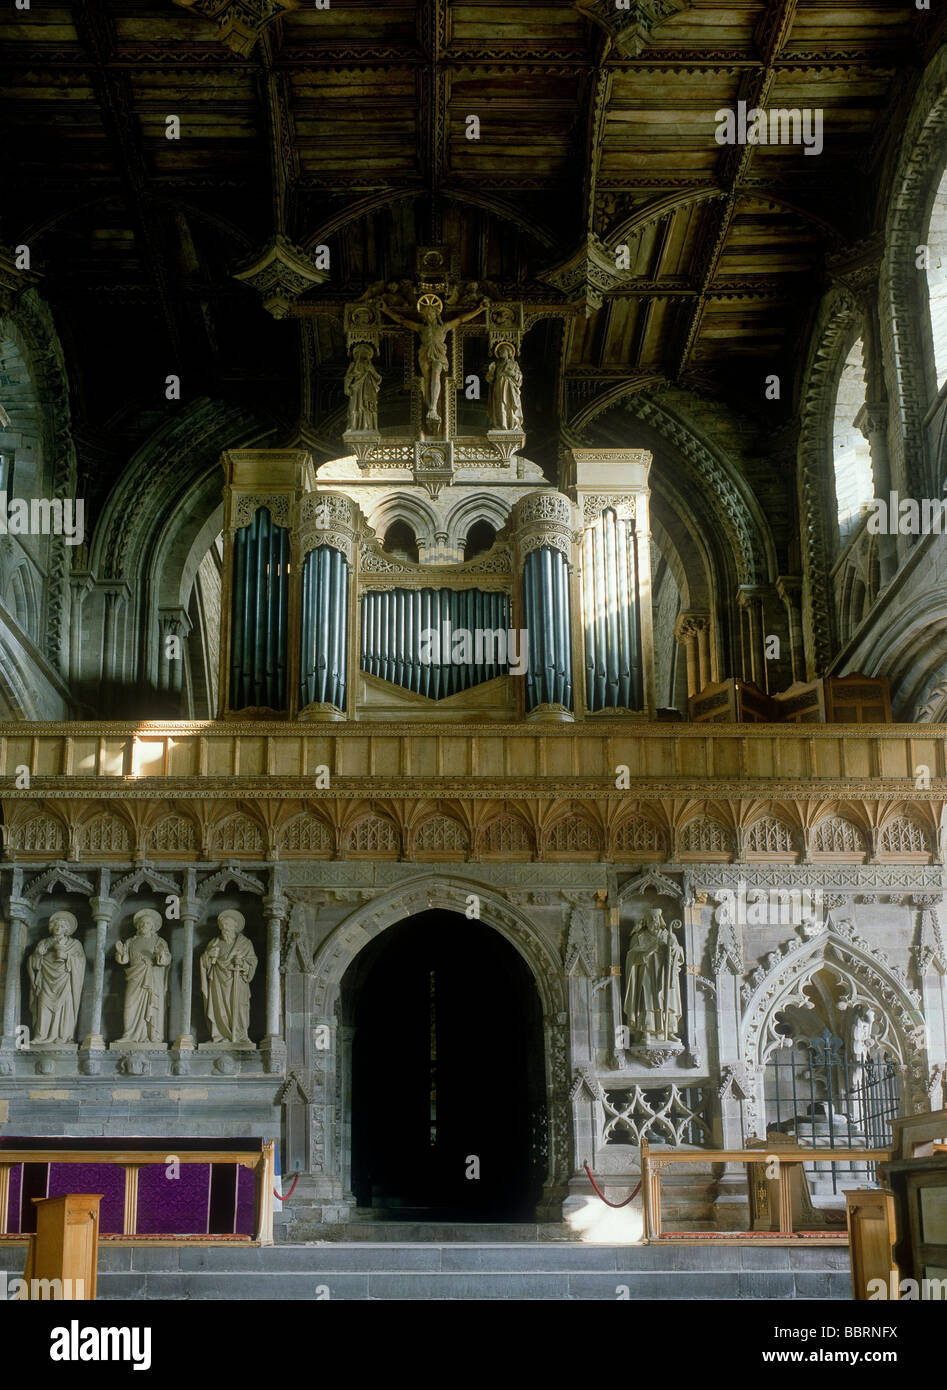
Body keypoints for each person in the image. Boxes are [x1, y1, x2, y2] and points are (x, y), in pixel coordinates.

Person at [379, 295, 487, 427]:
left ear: (436, 314)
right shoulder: (421, 328)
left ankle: (433, 408)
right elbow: (402, 321)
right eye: (426, 315)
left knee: (436, 374)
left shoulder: (444, 327)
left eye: (430, 314)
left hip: (439, 355)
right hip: (424, 354)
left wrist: (479, 310)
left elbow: (461, 319)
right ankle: (430, 408)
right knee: (427, 380)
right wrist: (385, 310)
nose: (428, 317)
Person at [623, 908, 684, 1043]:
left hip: (665, 976)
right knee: (647, 1002)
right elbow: (631, 958)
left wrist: (674, 949)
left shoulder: (669, 936)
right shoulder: (639, 937)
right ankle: (646, 1033)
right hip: (646, 975)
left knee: (666, 1001)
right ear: (645, 921)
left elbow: (679, 955)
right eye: (650, 918)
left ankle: (669, 1031)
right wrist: (649, 951)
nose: (654, 921)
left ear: (660, 919)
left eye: (656, 918)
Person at [200, 910, 257, 1046]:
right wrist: (208, 956)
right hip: (218, 982)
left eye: (229, 925)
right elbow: (205, 963)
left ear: (235, 926)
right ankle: (220, 1035)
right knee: (219, 1009)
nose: (226, 927)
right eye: (223, 925)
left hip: (238, 981)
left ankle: (240, 1035)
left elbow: (252, 961)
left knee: (240, 1007)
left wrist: (242, 963)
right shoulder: (214, 943)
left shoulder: (244, 943)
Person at [28, 911, 85, 1045]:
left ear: (67, 929)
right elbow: (33, 963)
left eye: (62, 926)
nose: (58, 928)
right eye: (56, 925)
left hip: (65, 980)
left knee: (63, 1008)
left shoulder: (74, 944)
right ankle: (41, 1035)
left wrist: (66, 957)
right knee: (43, 1005)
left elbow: (81, 962)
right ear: (51, 927)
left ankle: (62, 1036)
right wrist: (37, 955)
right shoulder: (44, 943)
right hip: (46, 980)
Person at [114, 908, 171, 1044]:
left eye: (147, 923)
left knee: (152, 1004)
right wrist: (121, 953)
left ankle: (152, 1035)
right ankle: (129, 1035)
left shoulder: (159, 941)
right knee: (130, 1005)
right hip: (135, 977)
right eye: (141, 923)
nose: (144, 926)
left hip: (153, 978)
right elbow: (124, 960)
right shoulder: (131, 941)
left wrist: (161, 955)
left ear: (153, 927)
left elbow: (166, 959)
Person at [343, 341, 382, 432]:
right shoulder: (353, 364)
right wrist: (346, 387)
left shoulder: (370, 366)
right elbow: (348, 377)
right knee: (355, 406)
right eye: (363, 352)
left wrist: (371, 370)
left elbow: (378, 379)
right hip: (357, 388)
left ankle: (369, 426)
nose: (365, 355)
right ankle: (354, 426)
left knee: (368, 407)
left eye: (367, 353)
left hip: (369, 388)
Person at [486, 341, 523, 431]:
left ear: (508, 352)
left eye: (502, 350)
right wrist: (490, 371)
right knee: (499, 404)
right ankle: (500, 425)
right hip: (498, 386)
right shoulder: (497, 365)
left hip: (509, 388)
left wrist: (512, 374)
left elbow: (519, 378)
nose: (500, 352)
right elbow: (490, 379)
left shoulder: (514, 364)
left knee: (508, 405)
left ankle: (511, 424)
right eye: (498, 351)